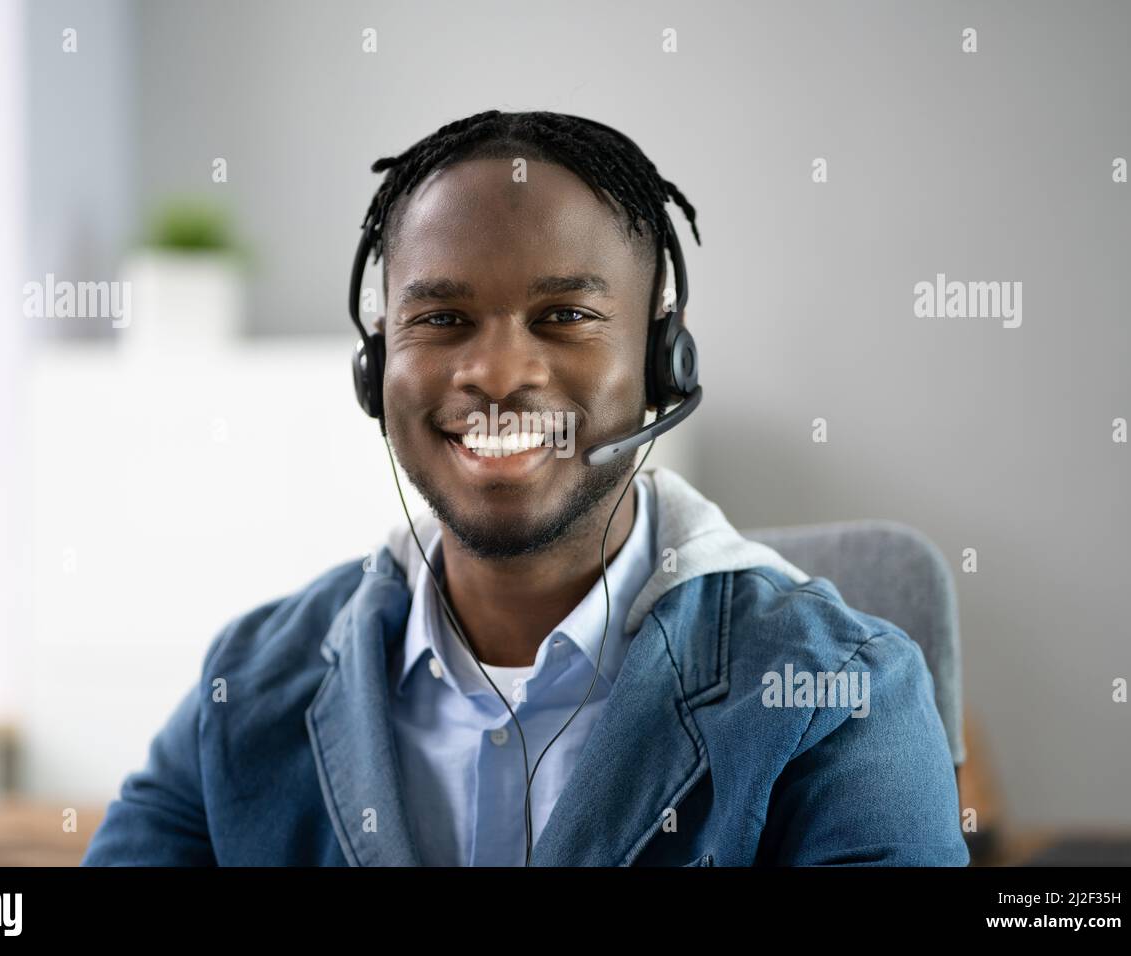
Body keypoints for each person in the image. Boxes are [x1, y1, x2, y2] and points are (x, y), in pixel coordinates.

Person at [82, 110, 968, 867]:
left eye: (565, 317)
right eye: (442, 319)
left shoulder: (839, 696)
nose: (499, 372)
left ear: (665, 362)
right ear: (376, 365)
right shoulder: (247, 682)